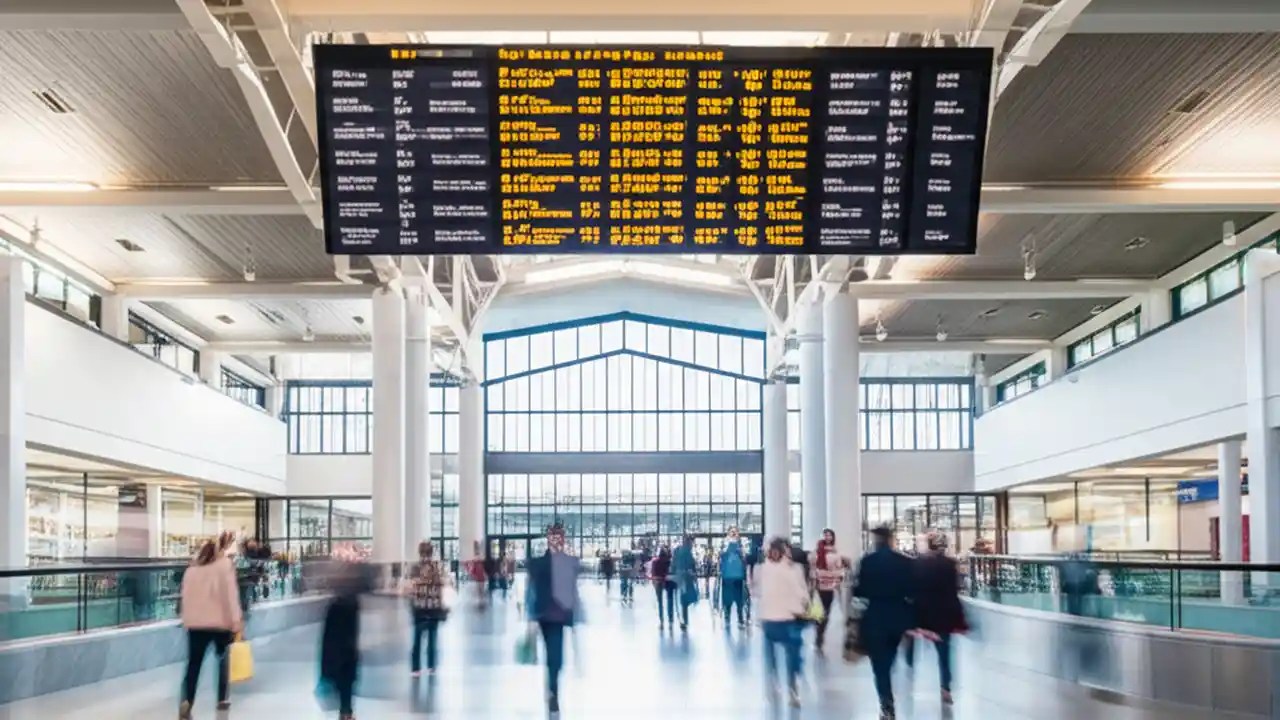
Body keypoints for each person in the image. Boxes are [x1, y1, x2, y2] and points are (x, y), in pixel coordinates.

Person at [853, 525, 916, 720]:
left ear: (875, 540)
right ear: (891, 539)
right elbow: (912, 592)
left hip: (875, 618)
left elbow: (859, 593)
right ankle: (888, 683)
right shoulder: (905, 562)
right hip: (898, 617)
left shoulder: (867, 562)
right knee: (890, 656)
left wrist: (854, 619)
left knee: (879, 665)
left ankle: (886, 702)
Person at [179, 539, 243, 719]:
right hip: (219, 624)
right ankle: (222, 699)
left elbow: (185, 598)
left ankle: (187, 700)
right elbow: (230, 595)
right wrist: (236, 621)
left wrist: (187, 620)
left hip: (195, 625)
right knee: (223, 660)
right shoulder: (224, 566)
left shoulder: (191, 570)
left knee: (194, 664)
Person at [525, 524, 582, 714]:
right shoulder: (538, 564)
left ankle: (552, 690)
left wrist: (574, 615)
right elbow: (531, 591)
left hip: (557, 616)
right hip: (546, 616)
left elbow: (572, 591)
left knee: (555, 658)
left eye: (560, 537)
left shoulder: (568, 563)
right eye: (554, 537)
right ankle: (553, 692)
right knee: (554, 657)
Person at [907, 531, 966, 705]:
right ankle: (945, 687)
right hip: (943, 614)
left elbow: (913, 588)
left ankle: (909, 673)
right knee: (944, 652)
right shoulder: (949, 564)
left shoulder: (917, 563)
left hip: (921, 613)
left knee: (913, 644)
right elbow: (953, 590)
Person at [753, 537, 809, 708]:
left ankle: (773, 681)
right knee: (792, 654)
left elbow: (756, 592)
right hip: (790, 617)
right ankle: (792, 687)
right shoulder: (795, 569)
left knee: (770, 653)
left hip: (769, 618)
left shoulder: (760, 569)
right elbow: (803, 594)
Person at [320, 559, 369, 720]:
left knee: (342, 679)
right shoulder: (352, 604)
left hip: (339, 649)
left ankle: (345, 711)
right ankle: (346, 711)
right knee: (346, 680)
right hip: (347, 648)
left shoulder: (336, 606)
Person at [406, 541, 451, 676]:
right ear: (432, 552)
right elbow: (444, 584)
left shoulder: (415, 568)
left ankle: (415, 668)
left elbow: (410, 586)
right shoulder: (437, 567)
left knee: (417, 638)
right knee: (432, 638)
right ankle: (431, 666)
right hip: (434, 607)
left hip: (419, 607)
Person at [811, 528, 849, 653]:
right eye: (826, 535)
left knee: (826, 612)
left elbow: (839, 568)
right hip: (820, 585)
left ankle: (820, 634)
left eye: (830, 535)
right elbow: (813, 567)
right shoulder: (818, 551)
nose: (828, 537)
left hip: (830, 585)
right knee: (820, 611)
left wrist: (837, 577)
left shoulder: (835, 552)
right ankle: (819, 634)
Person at [720, 527, 748, 629]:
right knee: (728, 597)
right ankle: (728, 616)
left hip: (737, 576)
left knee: (738, 598)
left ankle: (740, 617)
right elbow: (721, 556)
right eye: (731, 532)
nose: (733, 534)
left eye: (735, 532)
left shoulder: (740, 547)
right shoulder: (725, 545)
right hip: (728, 576)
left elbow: (744, 560)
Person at [672, 535, 698, 631]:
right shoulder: (687, 551)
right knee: (685, 599)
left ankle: (683, 620)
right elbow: (691, 564)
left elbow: (673, 564)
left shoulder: (677, 550)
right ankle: (684, 620)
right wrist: (693, 574)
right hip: (686, 577)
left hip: (680, 576)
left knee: (682, 597)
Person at [650, 545, 675, 628]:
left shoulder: (655, 562)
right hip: (667, 581)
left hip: (657, 581)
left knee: (660, 601)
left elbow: (653, 573)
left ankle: (661, 620)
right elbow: (669, 572)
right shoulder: (668, 562)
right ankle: (670, 619)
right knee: (670, 600)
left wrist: (654, 581)